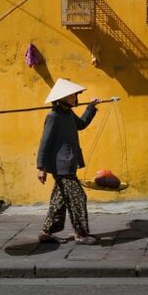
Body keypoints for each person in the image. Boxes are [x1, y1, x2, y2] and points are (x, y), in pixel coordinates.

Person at [36, 78, 100, 244]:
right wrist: (40, 167)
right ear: (61, 98)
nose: (74, 98)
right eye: (70, 95)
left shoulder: (69, 114)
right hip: (61, 166)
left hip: (70, 163)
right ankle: (81, 234)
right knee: (78, 197)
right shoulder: (53, 117)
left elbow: (81, 124)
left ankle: (46, 232)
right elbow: (45, 143)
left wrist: (91, 108)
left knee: (60, 199)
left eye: (74, 95)